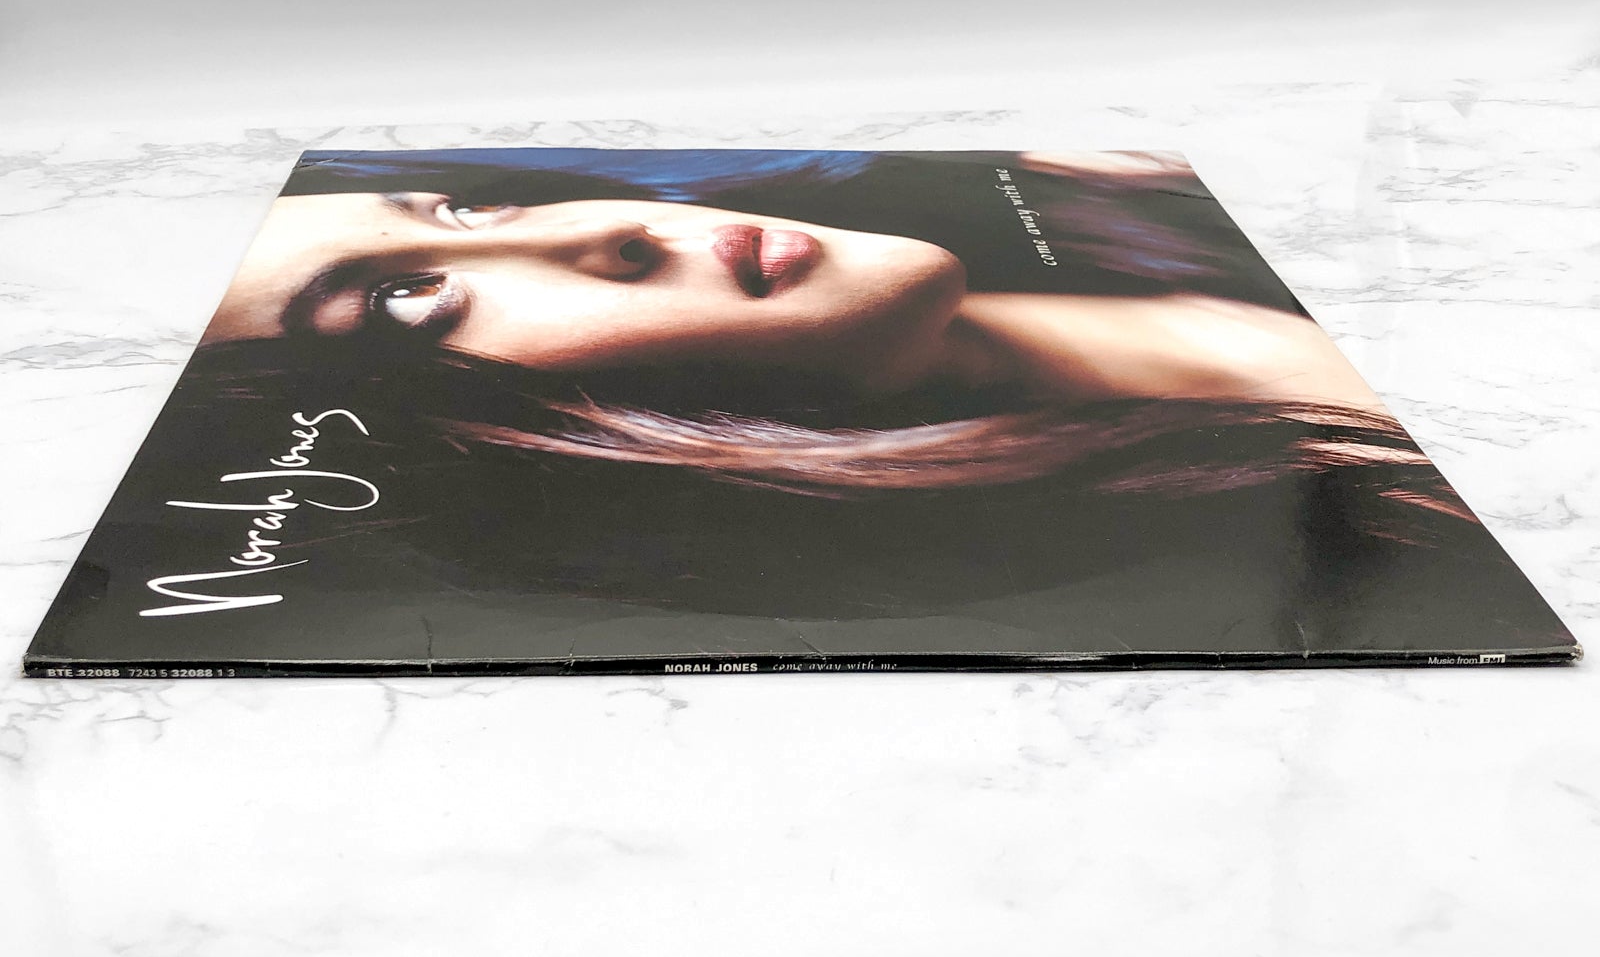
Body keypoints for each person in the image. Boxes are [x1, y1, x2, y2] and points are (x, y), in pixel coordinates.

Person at [171, 147, 1519, 640]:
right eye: (409, 302)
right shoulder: (1220, 562)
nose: (609, 231)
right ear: (479, 442)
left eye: (464, 209)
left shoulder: (1123, 190)